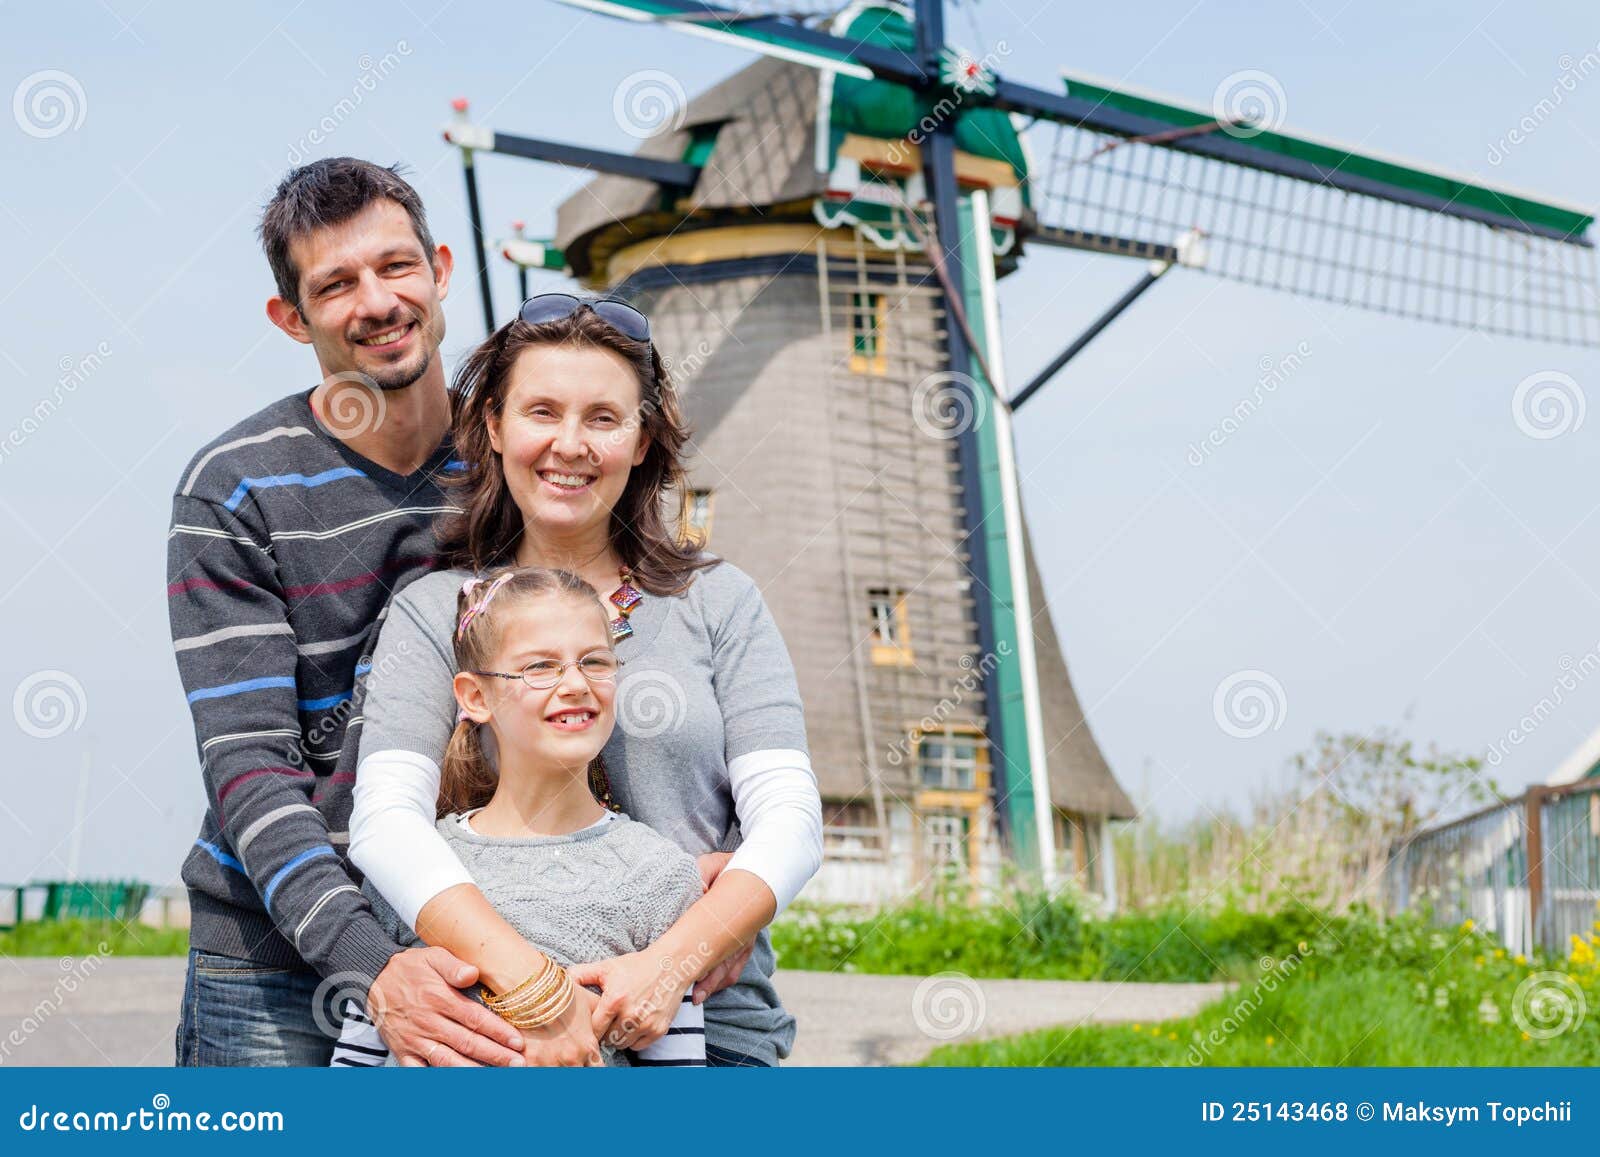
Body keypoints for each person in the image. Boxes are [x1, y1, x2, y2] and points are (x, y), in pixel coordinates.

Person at [348, 293, 824, 1067]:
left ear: (641, 440)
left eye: (603, 418)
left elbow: (792, 822)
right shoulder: (440, 612)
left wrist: (674, 961)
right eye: (543, 412)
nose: (570, 443)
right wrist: (535, 987)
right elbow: (385, 823)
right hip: (494, 1034)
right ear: (496, 427)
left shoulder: (718, 601)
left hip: (703, 1029)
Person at [167, 156, 525, 1067]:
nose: (376, 301)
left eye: (395, 266)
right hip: (275, 961)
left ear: (441, 270)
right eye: (335, 284)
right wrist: (370, 965)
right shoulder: (235, 488)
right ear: (292, 318)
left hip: (482, 930)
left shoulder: (519, 463)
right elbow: (248, 762)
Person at [333, 567, 709, 1068]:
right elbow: (359, 1055)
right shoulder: (413, 871)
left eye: (595, 661)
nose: (575, 683)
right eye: (540, 667)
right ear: (475, 697)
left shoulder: (661, 877)